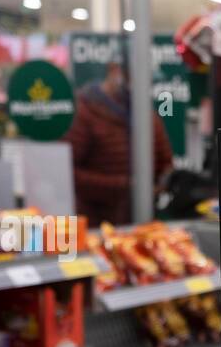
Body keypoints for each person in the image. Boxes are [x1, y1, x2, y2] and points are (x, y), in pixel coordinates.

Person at [63, 62, 173, 226]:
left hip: (142, 222)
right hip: (95, 225)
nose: (138, 86)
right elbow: (68, 172)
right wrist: (124, 186)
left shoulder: (148, 116)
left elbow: (165, 161)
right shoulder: (83, 112)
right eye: (133, 78)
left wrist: (164, 182)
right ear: (114, 70)